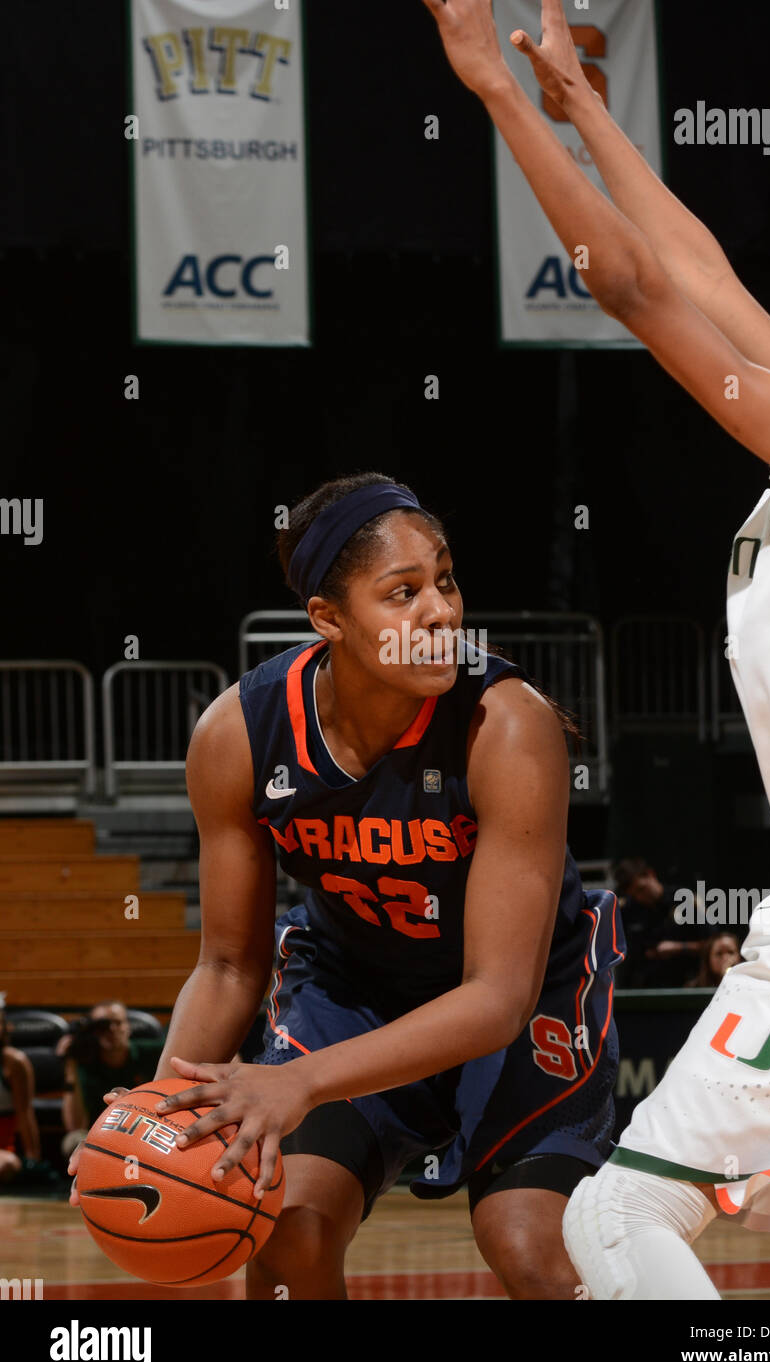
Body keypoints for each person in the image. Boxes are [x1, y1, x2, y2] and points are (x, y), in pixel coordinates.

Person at [423, 0, 770, 1299]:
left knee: (612, 1225)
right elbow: (693, 271)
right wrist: (589, 113)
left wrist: (492, 94)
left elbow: (628, 284)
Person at [71, 473, 623, 1301]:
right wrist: (167, 1099)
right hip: (351, 988)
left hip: (523, 997)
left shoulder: (507, 724)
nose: (439, 612)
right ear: (328, 619)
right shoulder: (241, 733)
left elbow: (496, 998)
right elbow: (227, 965)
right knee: (289, 1233)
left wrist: (297, 1081)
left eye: (444, 580)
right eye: (402, 593)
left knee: (531, 1250)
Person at [59, 1001, 164, 1159]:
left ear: (128, 1027)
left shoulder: (154, 1053)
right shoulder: (84, 1063)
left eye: (118, 1023)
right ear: (94, 1032)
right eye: (104, 1025)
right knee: (72, 1141)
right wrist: (71, 1066)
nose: (112, 1030)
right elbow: (75, 1127)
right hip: (100, 1135)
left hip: (145, 1129)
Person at [613, 858, 708, 988]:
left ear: (650, 874)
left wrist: (680, 948)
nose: (640, 897)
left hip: (688, 982)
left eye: (642, 889)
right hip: (647, 987)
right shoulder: (629, 910)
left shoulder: (686, 899)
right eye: (634, 895)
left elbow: (711, 944)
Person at [0, 996, 41, 1183]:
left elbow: (25, 1114)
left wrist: (34, 1161)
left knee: (7, 1164)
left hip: (3, 1153)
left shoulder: (14, 1062)